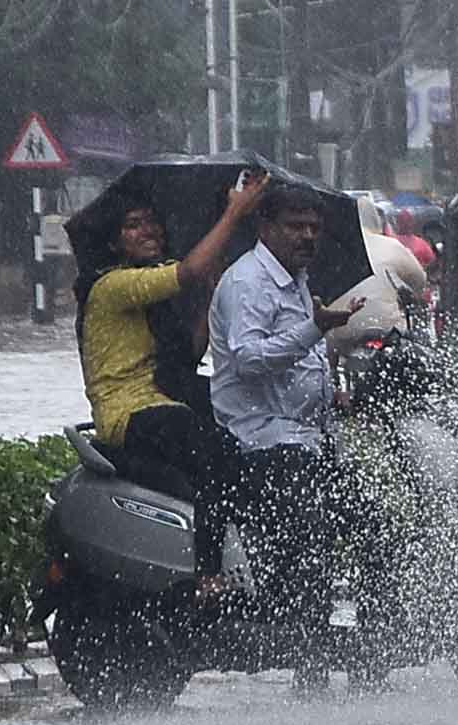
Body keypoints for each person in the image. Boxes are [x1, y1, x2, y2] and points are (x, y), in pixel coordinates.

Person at [73, 171, 269, 578]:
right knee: (214, 453)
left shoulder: (151, 300)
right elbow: (189, 271)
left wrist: (209, 304)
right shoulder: (113, 286)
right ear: (114, 242)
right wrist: (233, 213)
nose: (148, 231)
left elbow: (187, 358)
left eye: (151, 221)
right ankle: (209, 575)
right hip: (131, 413)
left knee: (241, 446)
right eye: (133, 225)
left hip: (160, 403)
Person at [208, 190, 374, 637]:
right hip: (263, 441)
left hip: (307, 437)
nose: (306, 236)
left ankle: (374, 643)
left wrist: (333, 395)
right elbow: (248, 359)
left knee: (375, 517)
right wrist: (314, 328)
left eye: (314, 228)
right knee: (310, 535)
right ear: (265, 227)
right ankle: (303, 644)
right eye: (295, 225)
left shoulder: (296, 278)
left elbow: (302, 363)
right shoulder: (248, 283)